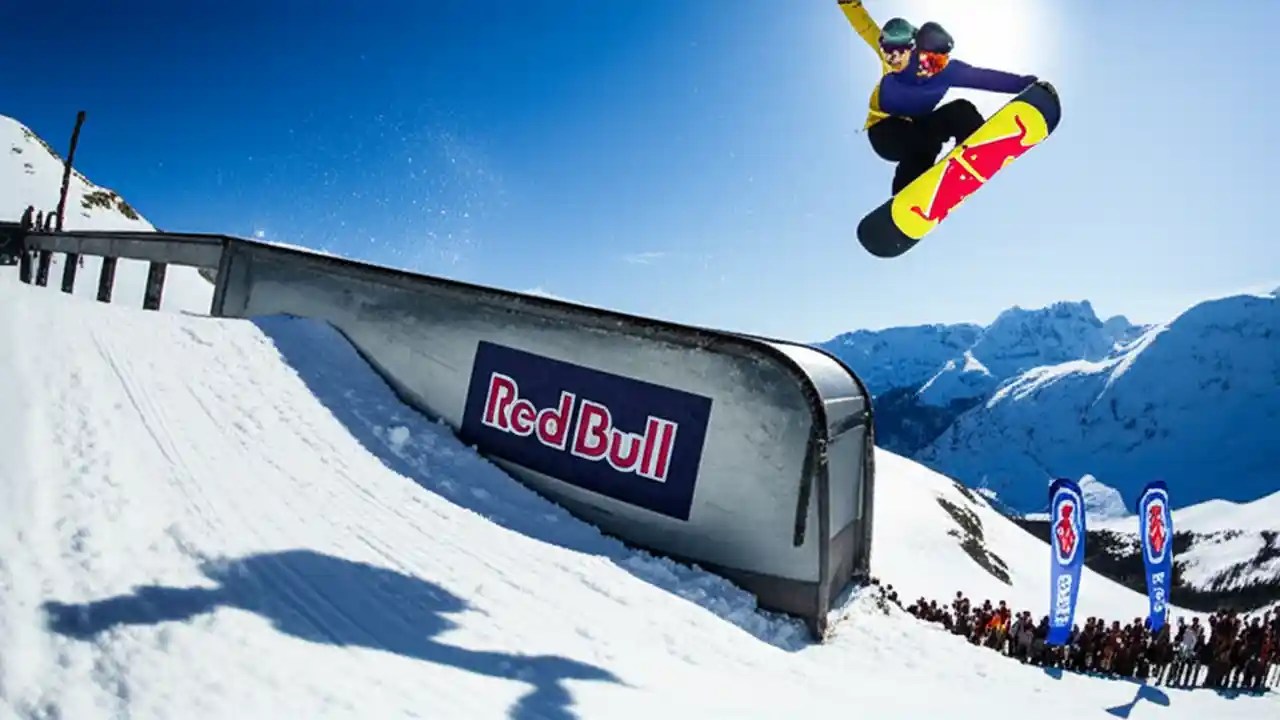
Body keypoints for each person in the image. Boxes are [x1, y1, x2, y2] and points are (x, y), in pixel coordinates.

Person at [837, 0, 1039, 193]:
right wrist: (849, 4)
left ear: (913, 49)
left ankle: (970, 154)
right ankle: (906, 190)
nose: (893, 59)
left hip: (916, 129)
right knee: (925, 142)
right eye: (888, 54)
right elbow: (865, 27)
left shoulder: (948, 71)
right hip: (884, 132)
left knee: (960, 111)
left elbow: (985, 78)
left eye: (900, 53)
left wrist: (1024, 84)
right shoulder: (892, 61)